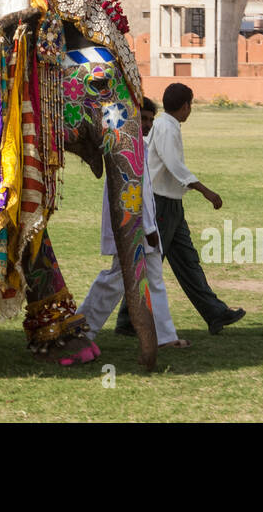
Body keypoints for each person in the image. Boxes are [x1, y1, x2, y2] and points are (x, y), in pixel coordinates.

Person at [116, 82, 246, 336]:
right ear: (185, 106)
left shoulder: (166, 125)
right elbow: (173, 163)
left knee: (188, 262)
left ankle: (215, 313)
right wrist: (205, 190)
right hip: (161, 204)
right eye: (191, 105)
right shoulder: (165, 127)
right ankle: (127, 320)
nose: (191, 110)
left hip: (171, 204)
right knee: (149, 263)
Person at [78, 97, 189, 349]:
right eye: (144, 118)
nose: (148, 124)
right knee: (116, 279)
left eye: (151, 119)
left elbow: (145, 194)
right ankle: (81, 327)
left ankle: (165, 337)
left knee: (153, 279)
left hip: (142, 227)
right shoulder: (124, 146)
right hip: (132, 227)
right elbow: (132, 194)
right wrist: (148, 229)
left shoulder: (139, 145)